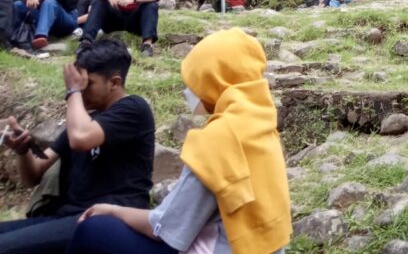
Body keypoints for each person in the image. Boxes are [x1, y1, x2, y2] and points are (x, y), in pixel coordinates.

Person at [67, 28, 291, 254]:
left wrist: (113, 211)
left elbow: (166, 229)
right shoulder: (262, 125)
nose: (189, 91)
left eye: (195, 81)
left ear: (213, 80)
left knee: (94, 229)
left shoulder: (218, 139)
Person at [0, 39, 154, 254]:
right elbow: (32, 175)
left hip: (108, 221)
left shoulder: (134, 108)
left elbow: (80, 138)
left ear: (114, 83)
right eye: (78, 84)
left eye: (87, 84)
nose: (81, 91)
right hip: (67, 217)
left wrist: (72, 91)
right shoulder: (86, 121)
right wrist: (22, 150)